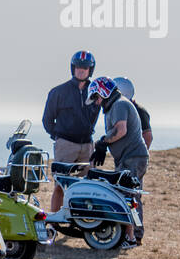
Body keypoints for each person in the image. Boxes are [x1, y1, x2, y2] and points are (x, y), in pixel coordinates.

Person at [88, 76, 149, 248]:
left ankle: (129, 238)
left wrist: (103, 142)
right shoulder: (116, 105)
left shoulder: (119, 104)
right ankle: (134, 236)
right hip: (130, 157)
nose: (96, 102)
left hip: (132, 158)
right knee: (130, 196)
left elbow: (121, 130)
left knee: (126, 197)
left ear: (103, 92)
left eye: (96, 97)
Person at [42, 50, 100, 212]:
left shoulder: (95, 94)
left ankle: (81, 219)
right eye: (78, 67)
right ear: (72, 68)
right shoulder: (58, 92)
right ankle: (55, 222)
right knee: (60, 185)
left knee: (87, 185)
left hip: (88, 146)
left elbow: (94, 118)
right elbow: (47, 120)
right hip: (65, 145)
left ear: (90, 70)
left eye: (85, 68)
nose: (81, 70)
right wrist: (60, 137)